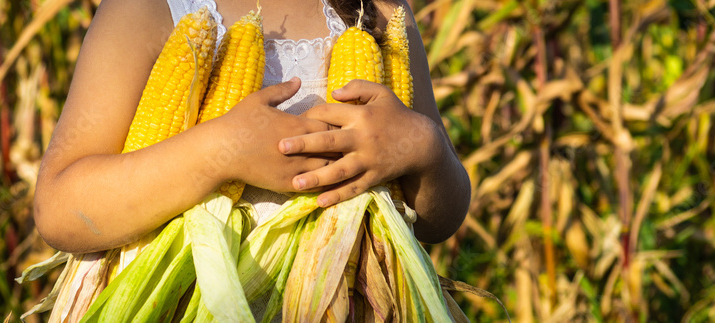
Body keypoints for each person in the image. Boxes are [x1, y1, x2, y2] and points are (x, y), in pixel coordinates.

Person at [33, 0, 471, 255]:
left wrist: (423, 148)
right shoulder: (147, 9)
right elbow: (60, 208)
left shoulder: (376, 10)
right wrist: (220, 151)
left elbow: (436, 221)